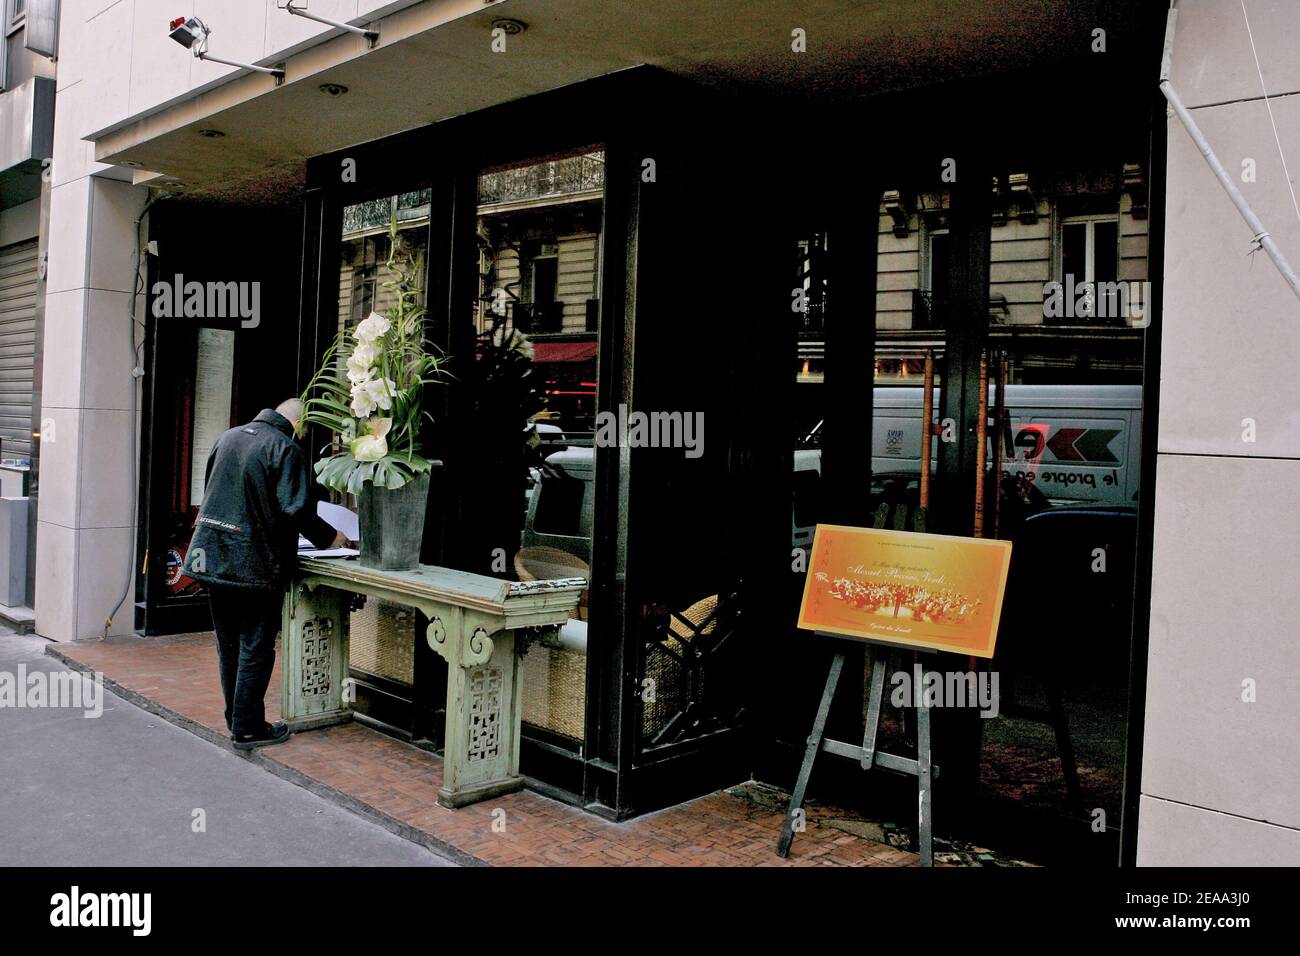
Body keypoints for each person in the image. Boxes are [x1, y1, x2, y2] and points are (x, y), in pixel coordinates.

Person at [186, 399, 344, 750]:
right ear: (299, 424)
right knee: (256, 645)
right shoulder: (284, 448)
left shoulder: (227, 438)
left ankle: (236, 719)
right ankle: (248, 727)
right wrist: (332, 537)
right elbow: (296, 509)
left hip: (210, 555)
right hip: (254, 563)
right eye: (304, 429)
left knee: (228, 645)